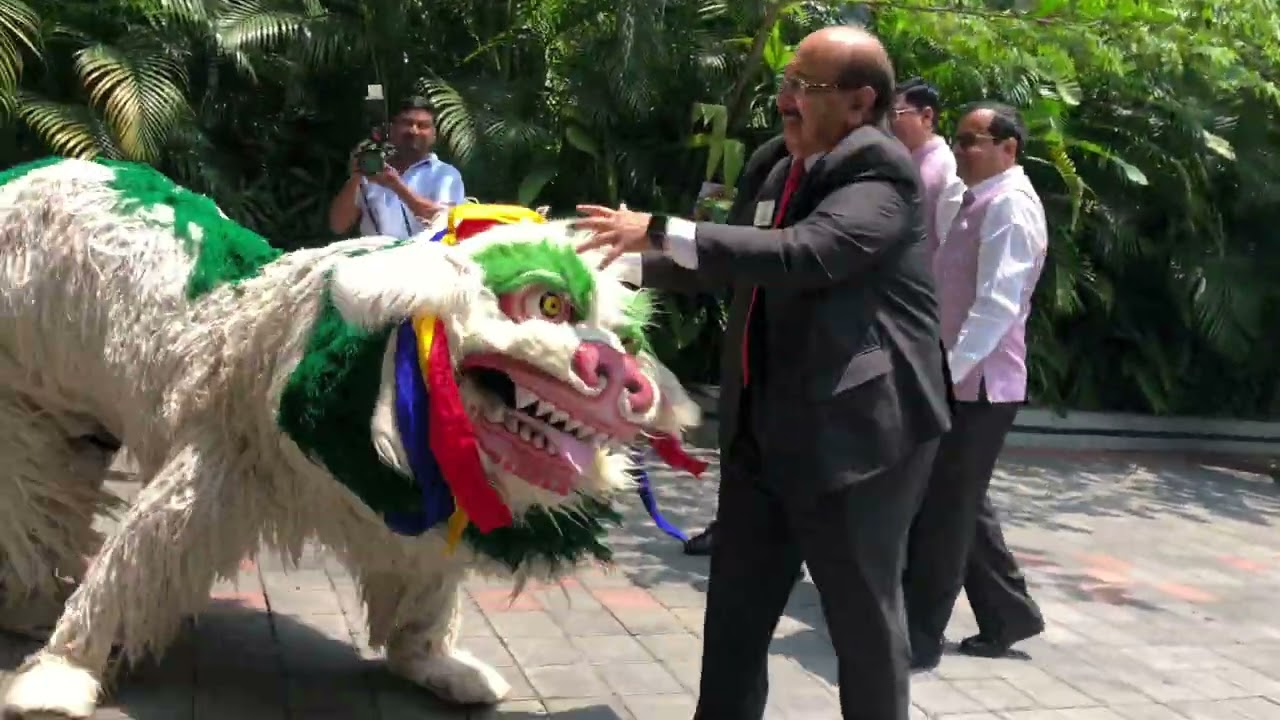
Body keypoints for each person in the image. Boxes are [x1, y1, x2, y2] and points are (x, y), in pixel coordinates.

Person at [573, 26, 952, 720]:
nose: (783, 100)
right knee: (736, 620)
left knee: (862, 624)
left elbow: (806, 254)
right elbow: (725, 257)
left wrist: (657, 227)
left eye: (803, 88)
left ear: (861, 102)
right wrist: (596, 262)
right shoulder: (779, 165)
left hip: (857, 437)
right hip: (764, 430)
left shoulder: (880, 170)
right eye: (785, 83)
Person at [901, 101, 1048, 671]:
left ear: (1009, 148)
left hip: (981, 385)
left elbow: (996, 308)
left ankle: (918, 637)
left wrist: (947, 372)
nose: (961, 149)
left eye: (974, 141)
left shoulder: (1011, 207)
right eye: (959, 140)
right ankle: (1008, 613)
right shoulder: (976, 198)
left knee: (943, 511)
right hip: (962, 376)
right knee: (961, 501)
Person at [327, 96, 465, 239]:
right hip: (375, 257)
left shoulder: (445, 174)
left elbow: (448, 224)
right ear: (391, 130)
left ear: (434, 135)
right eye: (407, 123)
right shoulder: (372, 169)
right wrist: (356, 176)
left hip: (426, 257)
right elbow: (338, 226)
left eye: (422, 125)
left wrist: (396, 185)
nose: (414, 131)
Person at [891, 77, 966, 261]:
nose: (889, 123)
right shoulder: (900, 158)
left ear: (926, 116)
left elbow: (950, 242)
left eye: (895, 114)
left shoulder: (946, 167)